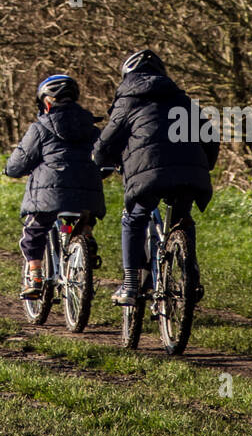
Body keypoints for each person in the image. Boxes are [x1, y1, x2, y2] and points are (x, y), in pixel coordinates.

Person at [93, 49, 218, 305]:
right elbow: (210, 137)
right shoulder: (183, 100)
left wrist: (98, 161)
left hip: (147, 174)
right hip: (190, 171)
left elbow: (107, 142)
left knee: (134, 218)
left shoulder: (128, 101)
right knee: (182, 218)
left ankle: (130, 284)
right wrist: (206, 166)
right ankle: (190, 275)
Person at [4, 72, 106, 298]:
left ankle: (35, 275)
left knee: (34, 231)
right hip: (87, 192)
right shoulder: (92, 127)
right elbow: (103, 157)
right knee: (84, 218)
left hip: (49, 194)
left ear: (46, 101)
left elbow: (19, 162)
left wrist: (10, 170)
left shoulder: (40, 127)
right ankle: (86, 238)